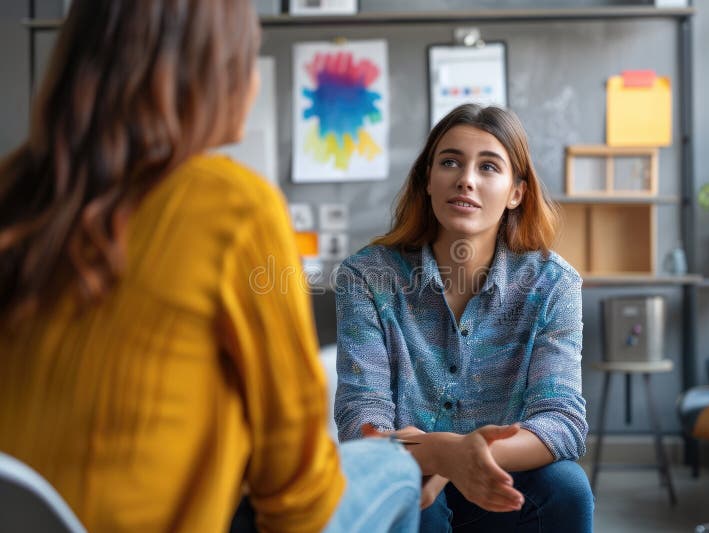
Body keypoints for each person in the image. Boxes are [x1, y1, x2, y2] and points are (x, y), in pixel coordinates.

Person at [0, 1, 423, 532]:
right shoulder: (234, 207)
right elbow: (298, 498)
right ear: (216, 70)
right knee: (395, 465)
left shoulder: (14, 192)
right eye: (249, 56)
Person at [334, 103, 594, 532]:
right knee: (412, 493)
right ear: (428, 181)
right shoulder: (367, 277)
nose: (466, 179)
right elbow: (362, 421)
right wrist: (436, 455)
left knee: (567, 487)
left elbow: (562, 421)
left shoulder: (553, 284)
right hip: (409, 472)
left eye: (488, 166)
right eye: (450, 162)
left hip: (504, 481)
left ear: (516, 193)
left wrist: (462, 458)